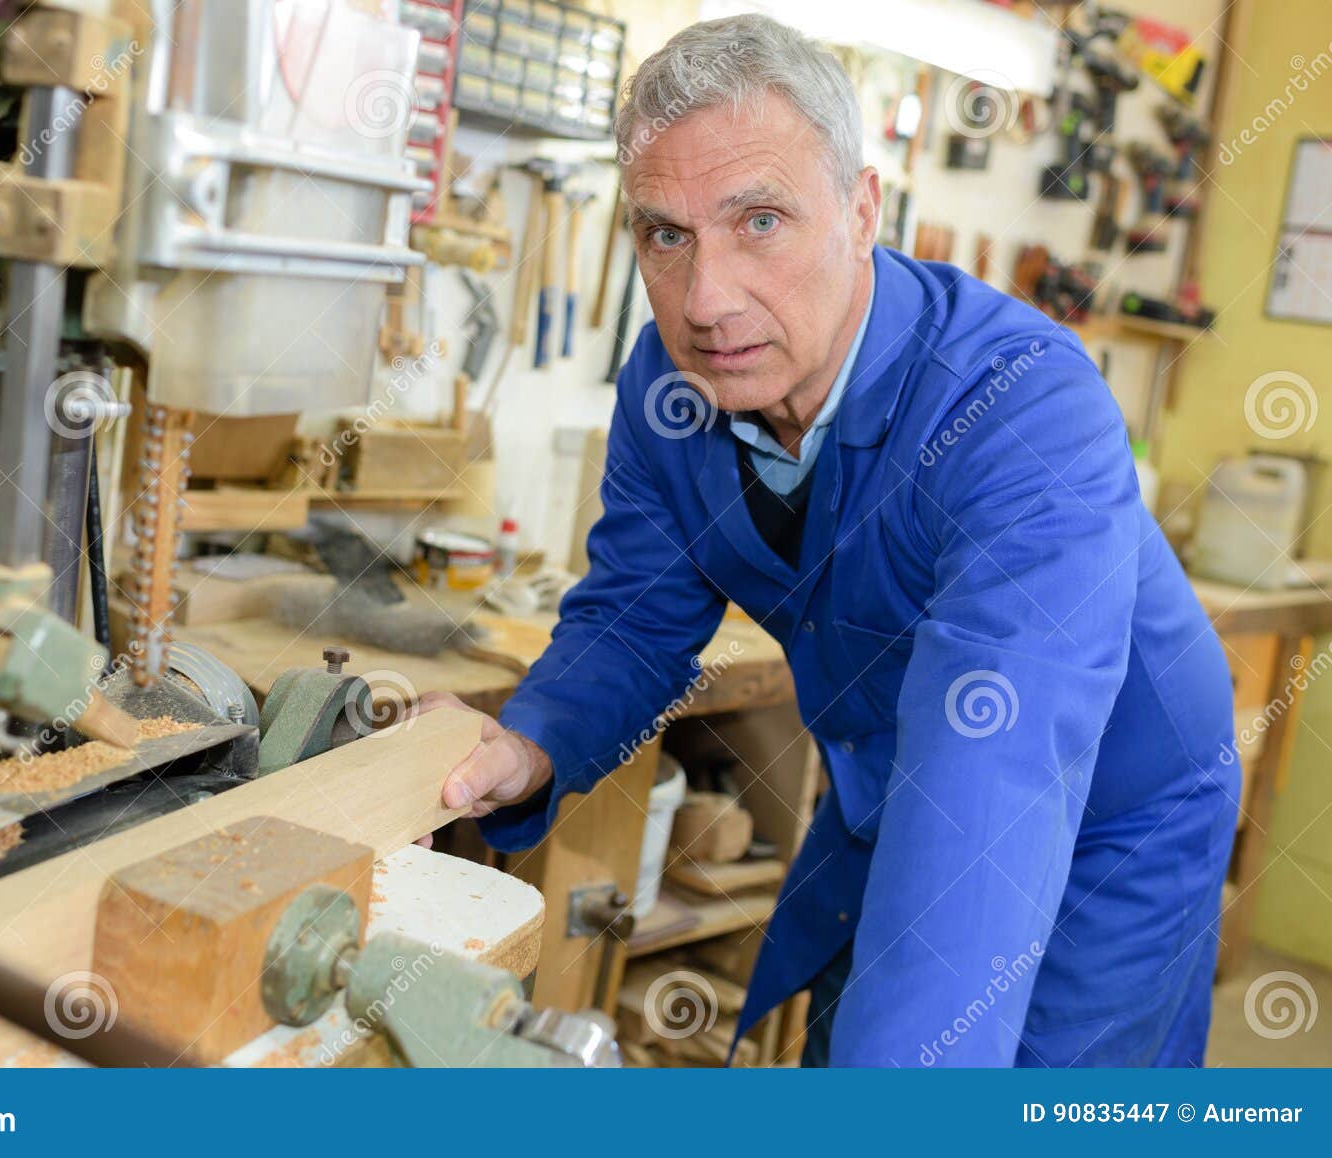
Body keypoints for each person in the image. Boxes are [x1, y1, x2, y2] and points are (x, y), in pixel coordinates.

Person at [415, 13, 1238, 1067]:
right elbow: (634, 617)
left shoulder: (1024, 412)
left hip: (1108, 817)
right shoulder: (670, 387)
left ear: (861, 210)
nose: (706, 301)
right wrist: (532, 742)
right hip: (900, 777)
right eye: (667, 234)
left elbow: (991, 781)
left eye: (758, 220)